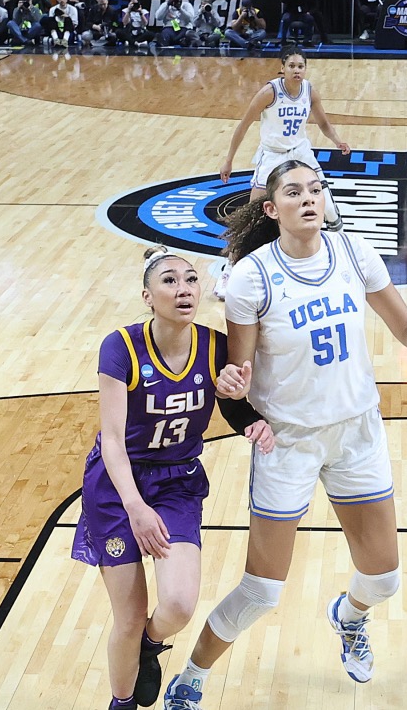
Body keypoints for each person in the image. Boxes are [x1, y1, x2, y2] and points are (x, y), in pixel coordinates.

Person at [162, 160, 407, 709]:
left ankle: (348, 616)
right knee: (263, 591)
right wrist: (231, 384)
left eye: (316, 189)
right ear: (272, 208)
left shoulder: (355, 252)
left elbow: (404, 324)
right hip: (288, 443)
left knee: (383, 581)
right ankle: (192, 674)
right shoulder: (251, 278)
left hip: (356, 432)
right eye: (294, 191)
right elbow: (239, 375)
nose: (309, 198)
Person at [75, 247, 272, 710]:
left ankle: (149, 645)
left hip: (177, 482)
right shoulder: (119, 347)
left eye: (190, 279)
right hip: (118, 486)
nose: (183, 289)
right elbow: (113, 441)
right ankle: (120, 703)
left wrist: (250, 415)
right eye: (169, 281)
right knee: (126, 617)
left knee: (179, 606)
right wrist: (136, 508)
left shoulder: (214, 345)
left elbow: (232, 404)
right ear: (148, 296)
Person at [220, 48, 348, 226]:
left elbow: (324, 124)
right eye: (292, 66)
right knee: (255, 212)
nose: (297, 70)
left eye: (301, 66)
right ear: (283, 68)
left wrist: (337, 141)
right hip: (273, 153)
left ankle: (337, 237)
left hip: (300, 151)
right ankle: (245, 245)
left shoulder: (309, 91)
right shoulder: (269, 92)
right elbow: (243, 126)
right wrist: (229, 160)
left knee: (328, 208)